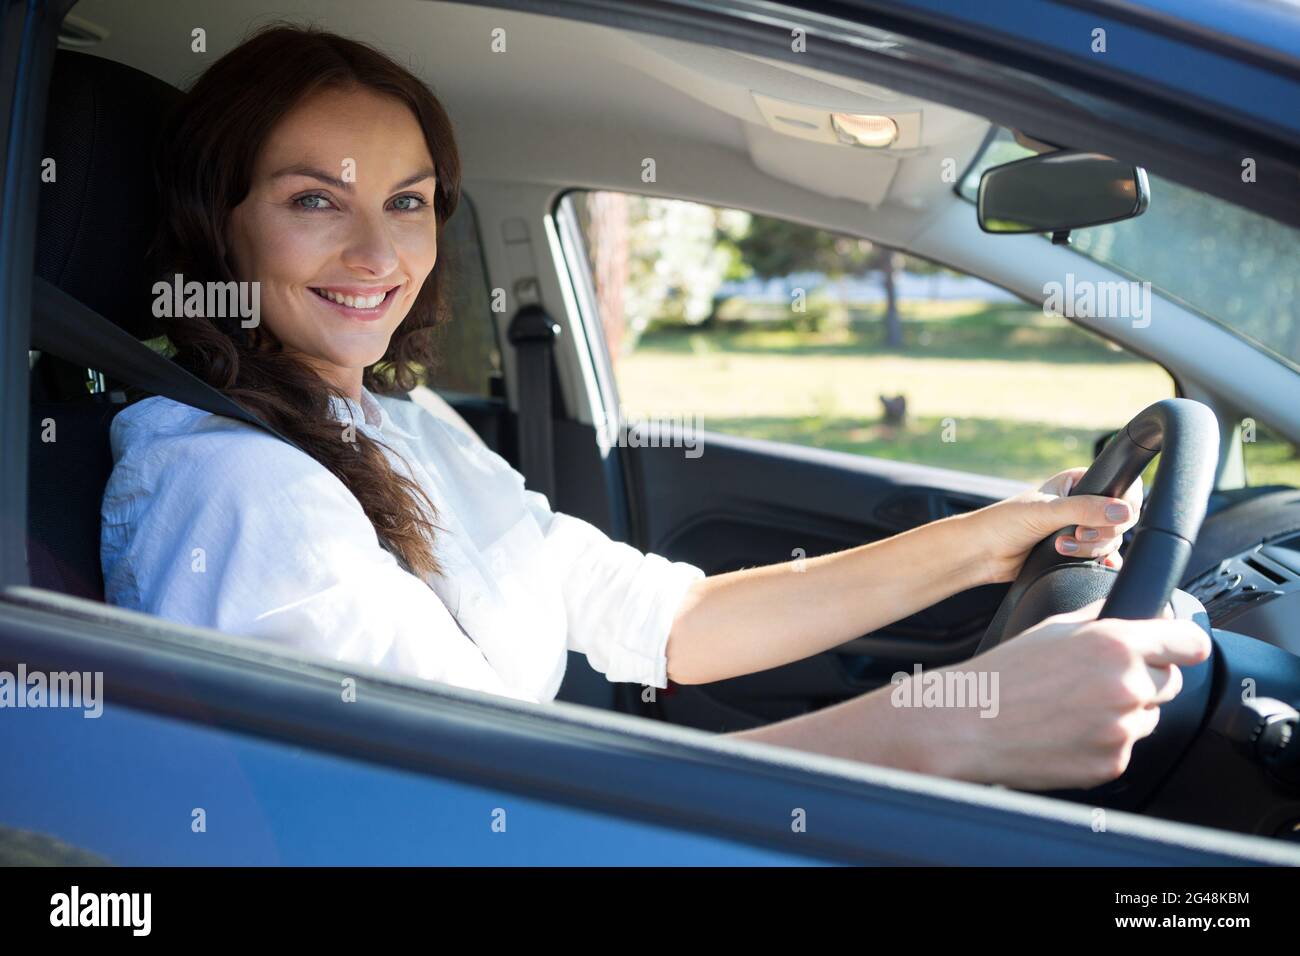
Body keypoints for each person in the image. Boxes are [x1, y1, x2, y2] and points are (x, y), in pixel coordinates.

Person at [101, 23, 1209, 794]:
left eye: (409, 203)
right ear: (219, 226)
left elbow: (668, 620)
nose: (377, 252)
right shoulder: (235, 487)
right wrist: (964, 720)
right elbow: (488, 816)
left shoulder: (396, 417)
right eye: (313, 201)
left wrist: (980, 541)